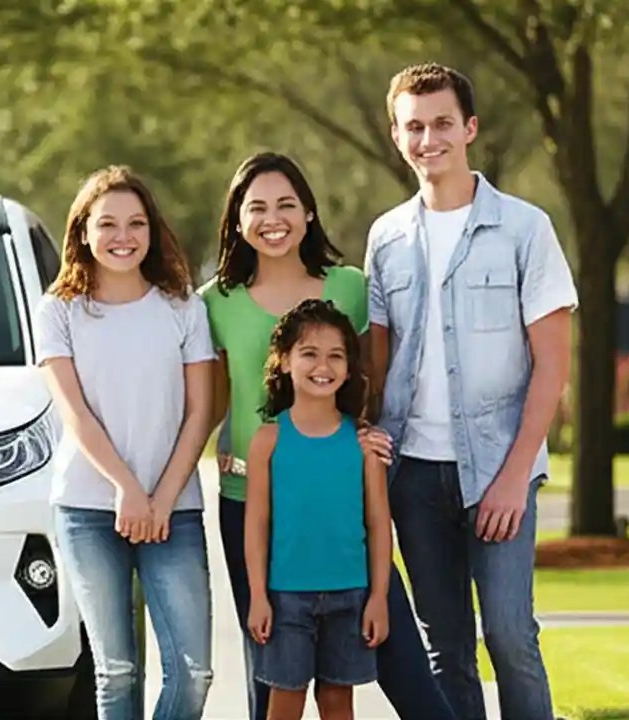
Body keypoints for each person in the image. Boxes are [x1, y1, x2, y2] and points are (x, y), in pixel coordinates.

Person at [200, 151, 456, 720]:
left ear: (309, 213)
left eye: (287, 204)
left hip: (343, 501)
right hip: (252, 502)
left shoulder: (349, 286)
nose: (274, 218)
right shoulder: (214, 301)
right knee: (271, 683)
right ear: (237, 221)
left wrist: (368, 435)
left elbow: (371, 377)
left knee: (403, 667)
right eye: (258, 207)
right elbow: (212, 400)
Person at [366, 62, 577, 720]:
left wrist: (514, 478)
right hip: (413, 471)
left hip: (498, 469)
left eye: (442, 124)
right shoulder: (386, 238)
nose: (430, 139)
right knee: (445, 646)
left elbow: (552, 365)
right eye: (415, 127)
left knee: (511, 636)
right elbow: (379, 361)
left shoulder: (524, 228)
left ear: (470, 129)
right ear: (397, 136)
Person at [35, 165, 216, 720]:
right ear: (82, 232)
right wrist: (127, 490)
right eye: (108, 223)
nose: (123, 236)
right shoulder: (58, 311)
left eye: (136, 223)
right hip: (88, 511)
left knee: (193, 673)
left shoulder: (183, 306)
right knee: (116, 673)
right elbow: (76, 413)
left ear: (152, 231)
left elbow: (200, 411)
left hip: (175, 512)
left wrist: (159, 499)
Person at [244, 299, 392, 720]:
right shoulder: (267, 441)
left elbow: (379, 524)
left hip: (350, 595)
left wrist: (378, 597)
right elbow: (256, 524)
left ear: (348, 367)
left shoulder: (363, 443)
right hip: (286, 597)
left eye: (335, 355)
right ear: (285, 361)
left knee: (336, 702)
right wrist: (259, 596)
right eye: (309, 353)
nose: (322, 365)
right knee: (285, 702)